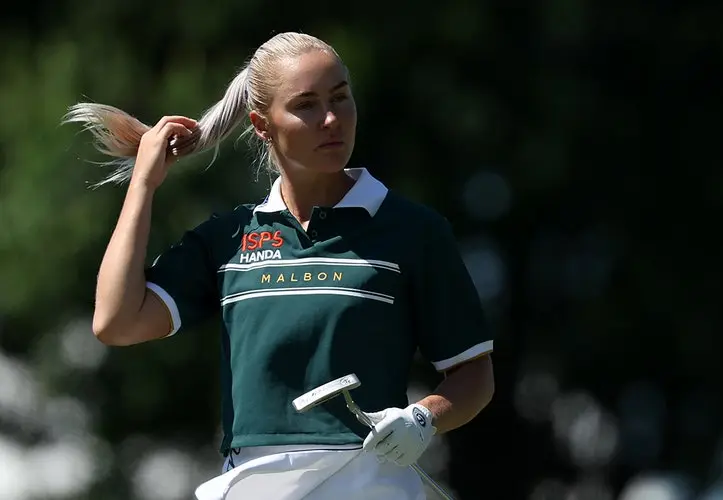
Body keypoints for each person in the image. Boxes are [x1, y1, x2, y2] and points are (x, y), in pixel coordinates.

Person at [63, 32, 495, 500]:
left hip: (371, 485)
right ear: (262, 125)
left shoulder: (412, 230)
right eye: (306, 105)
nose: (331, 119)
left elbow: (473, 374)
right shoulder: (229, 237)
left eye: (340, 97)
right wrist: (143, 185)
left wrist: (423, 417)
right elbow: (116, 321)